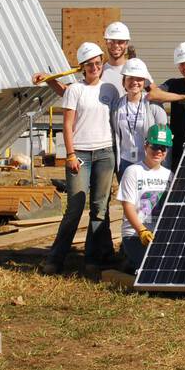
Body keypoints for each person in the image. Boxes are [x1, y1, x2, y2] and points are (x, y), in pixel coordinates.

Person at [34, 42, 121, 274]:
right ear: (82, 67)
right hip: (80, 154)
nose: (95, 67)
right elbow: (67, 124)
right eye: (90, 64)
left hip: (105, 153)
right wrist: (70, 154)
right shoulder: (75, 90)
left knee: (99, 208)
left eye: (97, 63)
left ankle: (93, 259)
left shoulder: (110, 90)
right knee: (75, 207)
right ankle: (55, 258)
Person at [118, 124, 174, 274]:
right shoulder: (133, 171)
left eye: (163, 148)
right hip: (136, 236)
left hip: (159, 236)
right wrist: (141, 230)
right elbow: (128, 206)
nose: (158, 152)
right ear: (146, 145)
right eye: (155, 147)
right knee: (151, 271)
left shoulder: (170, 175)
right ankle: (130, 260)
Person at [109, 57, 168, 178]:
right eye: (130, 78)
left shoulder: (154, 105)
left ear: (144, 82)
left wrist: (163, 165)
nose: (134, 82)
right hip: (125, 161)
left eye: (139, 79)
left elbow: (164, 137)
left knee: (147, 197)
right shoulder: (116, 106)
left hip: (149, 162)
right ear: (124, 81)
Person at [101, 21, 132, 92]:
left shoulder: (135, 69)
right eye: (111, 41)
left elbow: (153, 93)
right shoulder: (98, 72)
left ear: (126, 44)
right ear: (106, 43)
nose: (116, 45)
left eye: (120, 42)